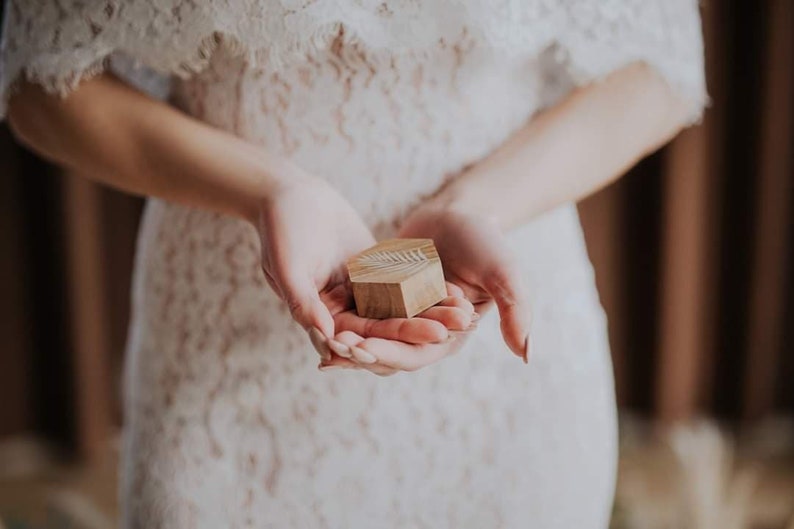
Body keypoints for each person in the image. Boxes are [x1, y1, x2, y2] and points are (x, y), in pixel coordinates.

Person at [2, 1, 706, 527]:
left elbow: (660, 71)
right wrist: (269, 190)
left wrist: (481, 204)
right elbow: (36, 81)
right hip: (225, 342)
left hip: (500, 342)